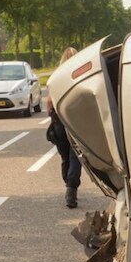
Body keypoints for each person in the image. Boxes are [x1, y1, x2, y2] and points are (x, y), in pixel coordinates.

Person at [47, 47, 81, 208]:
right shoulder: (80, 74)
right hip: (75, 120)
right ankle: (71, 190)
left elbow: (49, 103)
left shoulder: (56, 77)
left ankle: (68, 185)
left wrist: (52, 116)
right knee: (76, 157)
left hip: (59, 121)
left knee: (65, 157)